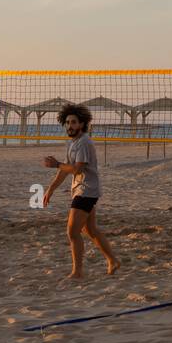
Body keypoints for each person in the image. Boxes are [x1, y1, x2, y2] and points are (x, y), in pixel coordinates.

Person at [42, 103, 120, 279]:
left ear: (82, 124)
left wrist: (56, 164)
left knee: (72, 232)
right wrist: (51, 189)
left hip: (86, 191)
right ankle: (113, 261)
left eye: (74, 122)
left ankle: (77, 272)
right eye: (68, 122)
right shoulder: (73, 143)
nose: (70, 126)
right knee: (90, 230)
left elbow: (76, 169)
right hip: (81, 190)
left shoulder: (84, 142)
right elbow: (64, 170)